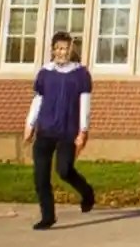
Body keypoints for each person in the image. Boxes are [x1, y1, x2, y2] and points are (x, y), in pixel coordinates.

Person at [23, 31, 95, 230]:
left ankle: (87, 192)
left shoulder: (81, 74)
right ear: (53, 50)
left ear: (71, 50)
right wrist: (29, 124)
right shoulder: (45, 73)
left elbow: (85, 103)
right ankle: (48, 216)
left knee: (64, 170)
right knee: (41, 176)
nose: (61, 52)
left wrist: (83, 130)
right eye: (58, 48)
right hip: (45, 129)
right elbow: (38, 99)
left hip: (67, 131)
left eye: (65, 48)